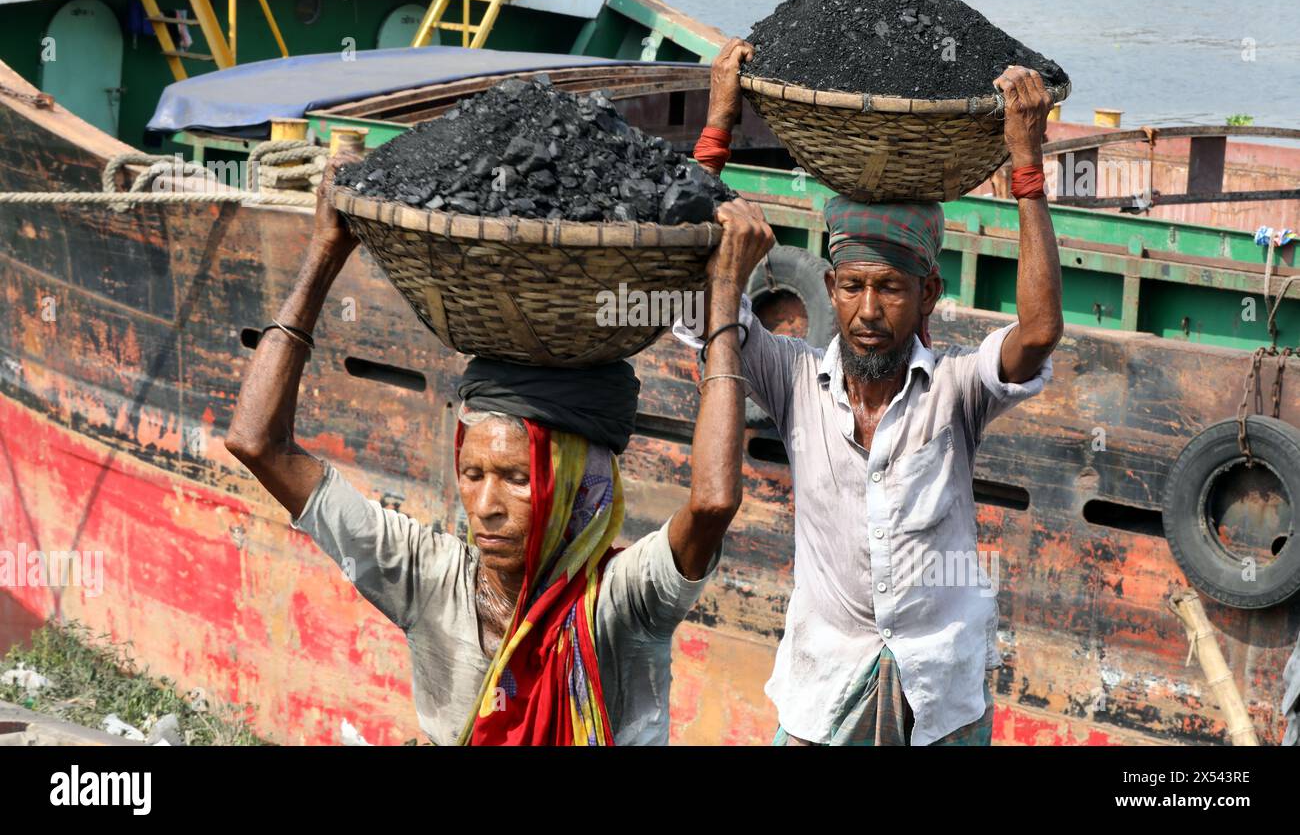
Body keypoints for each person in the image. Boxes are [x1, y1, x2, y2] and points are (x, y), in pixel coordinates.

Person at [223, 157, 775, 745]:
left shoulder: (623, 599)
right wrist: (325, 253)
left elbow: (713, 504)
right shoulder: (427, 577)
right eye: (471, 473)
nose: (484, 504)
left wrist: (723, 301)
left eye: (516, 477)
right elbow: (257, 444)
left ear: (577, 490)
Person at [678, 37, 1064, 746]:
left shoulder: (954, 389)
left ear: (928, 298)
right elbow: (697, 308)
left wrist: (1026, 165)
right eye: (852, 286)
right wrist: (718, 128)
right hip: (824, 687)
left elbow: (1038, 332)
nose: (866, 311)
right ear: (828, 288)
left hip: (940, 693)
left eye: (890, 289)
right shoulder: (794, 378)